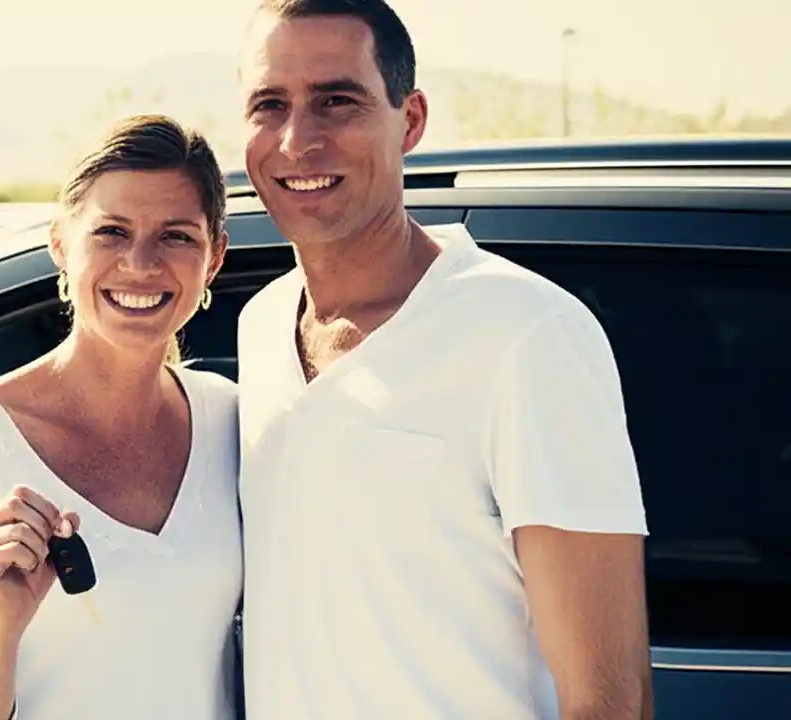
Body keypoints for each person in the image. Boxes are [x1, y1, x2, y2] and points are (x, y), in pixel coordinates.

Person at [233, 1, 652, 718]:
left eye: (338, 101)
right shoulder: (261, 323)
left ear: (411, 119)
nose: (298, 139)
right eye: (271, 104)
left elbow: (611, 695)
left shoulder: (528, 334)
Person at [0, 114, 241, 720]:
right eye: (111, 232)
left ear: (213, 260)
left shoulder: (230, 418)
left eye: (177, 236)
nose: (141, 263)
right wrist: (0, 625)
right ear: (61, 244)